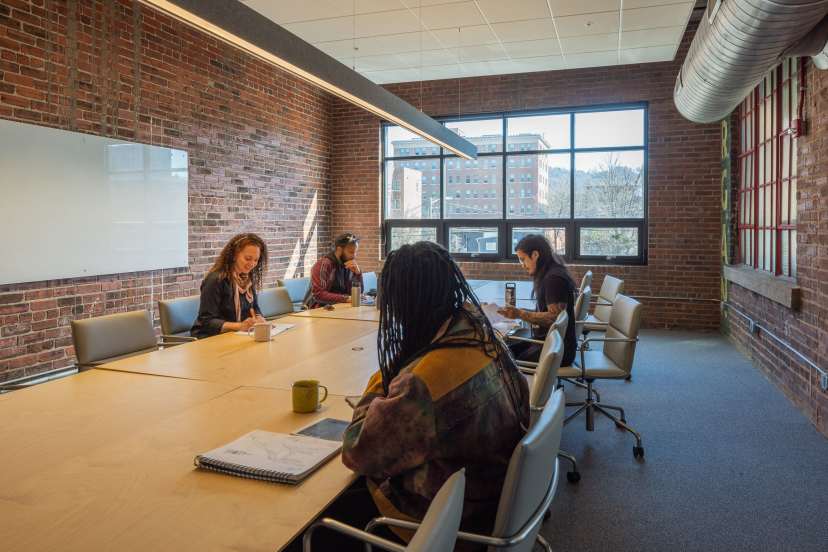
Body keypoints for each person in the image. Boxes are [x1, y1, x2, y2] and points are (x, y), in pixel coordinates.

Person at [338, 241, 529, 547]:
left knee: (320, 509)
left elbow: (356, 451)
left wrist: (388, 371)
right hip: (488, 491)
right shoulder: (483, 337)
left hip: (438, 521)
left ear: (402, 303)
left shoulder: (422, 382)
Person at [498, 233, 577, 367]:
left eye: (523, 259)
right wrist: (518, 312)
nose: (522, 265)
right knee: (503, 350)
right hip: (550, 343)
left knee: (502, 359)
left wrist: (520, 314)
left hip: (556, 350)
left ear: (535, 255)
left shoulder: (553, 279)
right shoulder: (551, 272)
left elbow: (554, 319)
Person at [191, 233, 268, 339]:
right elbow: (206, 321)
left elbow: (254, 308)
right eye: (248, 258)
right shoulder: (215, 280)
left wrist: (259, 319)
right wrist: (240, 326)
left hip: (236, 336)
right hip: (211, 338)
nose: (252, 264)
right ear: (234, 255)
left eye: (256, 260)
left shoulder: (247, 279)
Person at [304, 232, 363, 308]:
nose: (354, 256)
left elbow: (357, 294)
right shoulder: (324, 264)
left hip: (339, 307)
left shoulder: (348, 264)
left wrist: (357, 274)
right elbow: (319, 295)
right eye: (351, 252)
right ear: (339, 250)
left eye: (355, 252)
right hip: (319, 309)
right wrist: (346, 298)